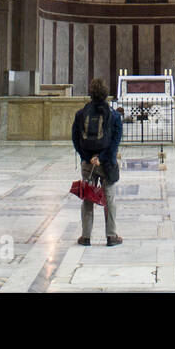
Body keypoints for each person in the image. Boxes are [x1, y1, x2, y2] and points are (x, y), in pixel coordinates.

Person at [71, 78, 123, 246]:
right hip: (106, 164)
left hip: (88, 164)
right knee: (110, 199)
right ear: (106, 94)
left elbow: (75, 139)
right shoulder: (114, 115)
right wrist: (102, 158)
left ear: (90, 93)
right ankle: (111, 236)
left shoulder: (81, 114)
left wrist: (88, 157)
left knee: (88, 197)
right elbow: (115, 142)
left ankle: (86, 236)